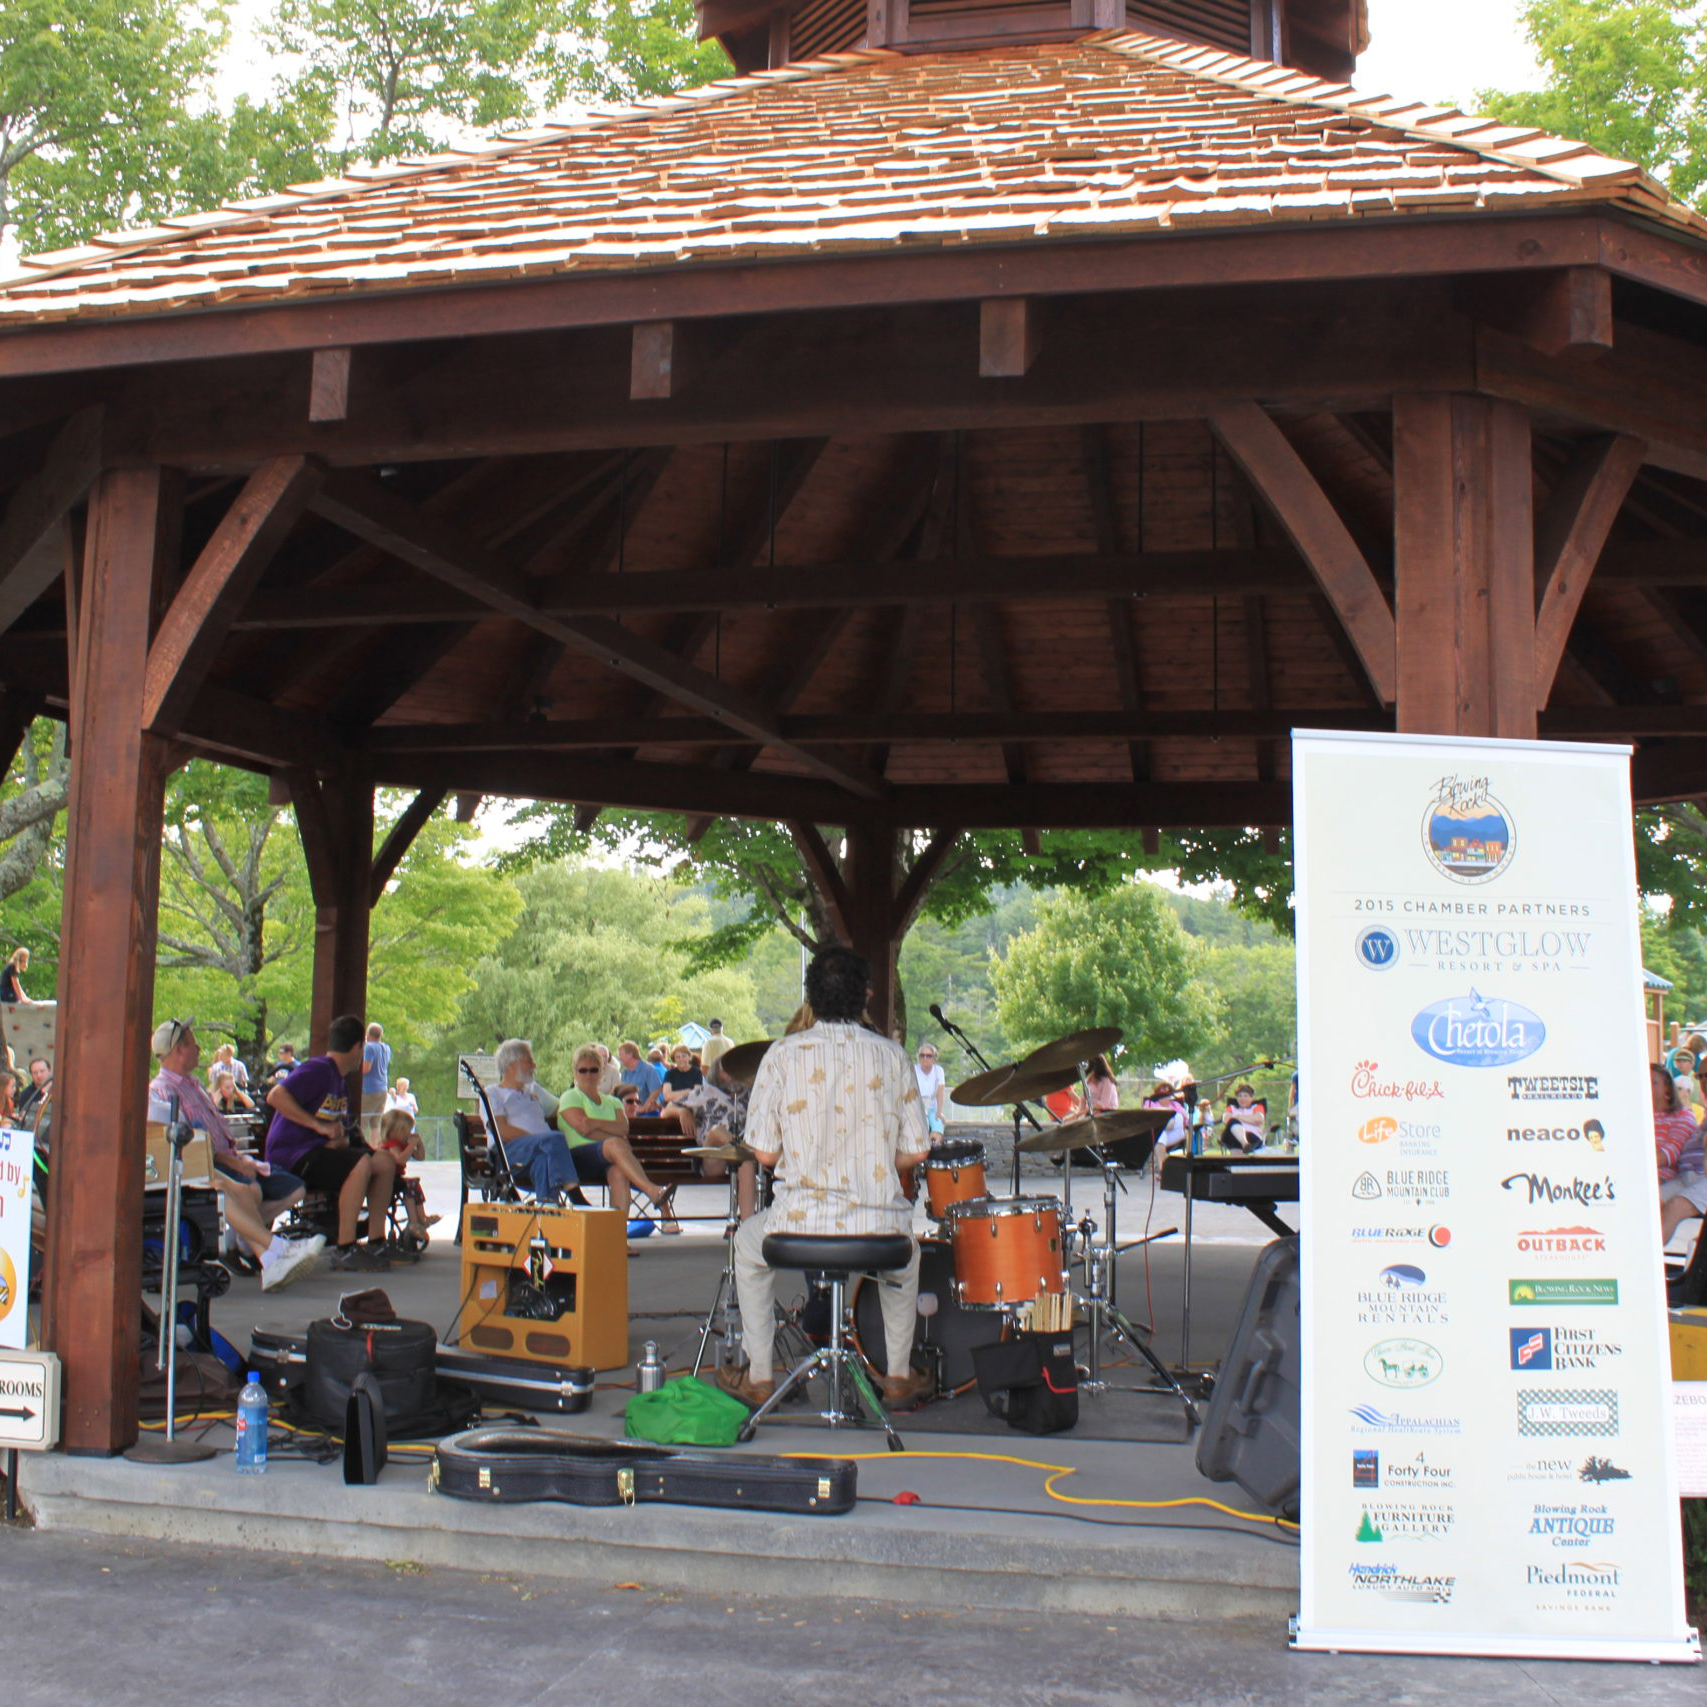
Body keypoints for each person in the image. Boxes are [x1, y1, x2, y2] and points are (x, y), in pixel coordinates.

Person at [717, 945, 932, 1412]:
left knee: (747, 1246)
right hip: (879, 1227)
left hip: (797, 1225)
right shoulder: (892, 1056)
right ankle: (897, 1377)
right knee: (908, 1255)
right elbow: (915, 1151)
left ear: (810, 996)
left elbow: (766, 1152)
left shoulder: (781, 1055)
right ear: (866, 998)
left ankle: (758, 1376)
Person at [149, 1018, 320, 1291]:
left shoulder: (193, 1084)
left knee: (287, 1188)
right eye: (193, 1043)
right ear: (179, 1049)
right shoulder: (163, 1090)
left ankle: (256, 1247)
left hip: (216, 1163)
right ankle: (272, 1249)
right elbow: (189, 1144)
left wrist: (239, 1160)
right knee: (245, 1189)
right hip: (198, 1167)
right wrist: (233, 1162)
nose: (199, 1048)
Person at [266, 1013, 397, 1272]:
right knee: (359, 1164)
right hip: (292, 1154)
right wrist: (318, 1126)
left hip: (319, 1154)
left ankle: (376, 1240)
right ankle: (345, 1248)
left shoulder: (340, 1081)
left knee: (383, 1161)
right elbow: (276, 1095)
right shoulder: (317, 1069)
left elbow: (342, 1130)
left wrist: (341, 1141)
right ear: (359, 1047)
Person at [559, 1043, 680, 1231]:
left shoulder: (613, 1101)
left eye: (593, 1070)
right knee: (615, 1143)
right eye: (583, 1071)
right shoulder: (570, 1097)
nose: (588, 1075)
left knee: (619, 1172)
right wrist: (607, 1131)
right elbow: (582, 1128)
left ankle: (616, 1237)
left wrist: (595, 1124)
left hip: (610, 1159)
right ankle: (653, 1191)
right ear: (575, 1072)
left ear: (601, 1072)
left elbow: (623, 1128)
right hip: (578, 1160)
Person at [680, 1052, 758, 1218]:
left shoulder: (751, 1094)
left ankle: (747, 1223)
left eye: (734, 1069)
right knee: (718, 1131)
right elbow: (668, 1109)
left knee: (746, 1162)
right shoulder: (704, 1092)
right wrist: (683, 1112)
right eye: (725, 1070)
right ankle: (747, 1150)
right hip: (713, 1156)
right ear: (716, 1072)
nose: (730, 1075)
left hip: (742, 1155)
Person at [1653, 1062, 1706, 1244]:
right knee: (1650, 1202)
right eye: (1701, 1076)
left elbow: (1671, 1151)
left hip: (1702, 1177)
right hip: (1686, 1176)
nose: (1703, 1082)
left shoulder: (1683, 1115)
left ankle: (1648, 1264)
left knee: (1676, 1205)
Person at [377, 1106, 439, 1242]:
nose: (409, 1134)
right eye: (407, 1131)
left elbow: (420, 1156)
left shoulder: (402, 1144)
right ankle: (413, 1221)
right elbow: (400, 1159)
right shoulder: (391, 1144)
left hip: (397, 1178)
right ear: (396, 1131)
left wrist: (418, 1143)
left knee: (414, 1183)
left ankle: (421, 1217)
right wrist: (411, 1146)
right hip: (388, 1178)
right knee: (409, 1186)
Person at [658, 1044, 704, 1141]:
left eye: (684, 1056)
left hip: (691, 1105)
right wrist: (687, 1091)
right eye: (678, 1057)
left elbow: (696, 1094)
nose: (681, 1059)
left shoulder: (697, 1073)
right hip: (672, 1106)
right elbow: (667, 1096)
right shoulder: (670, 1074)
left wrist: (677, 1094)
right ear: (674, 1059)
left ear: (689, 1057)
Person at [360, 1022, 392, 1136]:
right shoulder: (386, 1048)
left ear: (368, 1034)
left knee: (361, 1122)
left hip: (369, 1090)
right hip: (383, 1088)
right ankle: (374, 1148)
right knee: (376, 1123)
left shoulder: (369, 1048)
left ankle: (358, 1147)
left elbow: (365, 1069)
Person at [616, 1041, 664, 1113]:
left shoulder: (648, 1070)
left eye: (621, 1054)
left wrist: (644, 1108)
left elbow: (656, 1092)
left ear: (630, 1054)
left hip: (645, 1114)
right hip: (627, 1112)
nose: (619, 1057)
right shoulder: (625, 1073)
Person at [1220, 1083, 1267, 1154]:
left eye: (1245, 1096)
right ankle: (1245, 1144)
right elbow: (1226, 1120)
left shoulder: (1257, 1107)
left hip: (1252, 1136)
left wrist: (1239, 1117)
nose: (1242, 1099)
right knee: (1232, 1123)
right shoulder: (1231, 1108)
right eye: (1239, 1096)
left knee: (1235, 1139)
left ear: (1251, 1098)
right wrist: (1250, 1119)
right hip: (1230, 1135)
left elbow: (1259, 1119)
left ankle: (1236, 1163)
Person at [914, 1042, 947, 1138]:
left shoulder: (938, 1071)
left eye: (928, 1056)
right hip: (918, 1107)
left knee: (937, 1129)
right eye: (922, 1055)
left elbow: (940, 1093)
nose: (925, 1058)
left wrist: (940, 1112)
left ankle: (934, 1148)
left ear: (934, 1058)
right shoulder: (914, 1070)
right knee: (922, 1128)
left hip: (932, 1107)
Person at [16, 1057, 50, 1124]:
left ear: (49, 1071)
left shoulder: (60, 1090)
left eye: (42, 1071)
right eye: (35, 1073)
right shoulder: (26, 1094)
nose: (39, 1075)